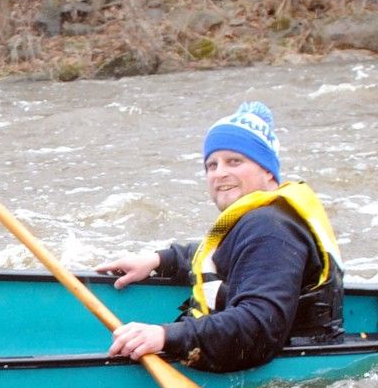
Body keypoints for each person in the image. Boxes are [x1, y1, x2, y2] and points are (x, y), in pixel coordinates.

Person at [95, 101, 343, 373]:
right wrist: (158, 260)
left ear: (268, 170)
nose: (219, 173)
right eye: (211, 165)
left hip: (291, 367)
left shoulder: (271, 230)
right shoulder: (260, 219)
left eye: (234, 161)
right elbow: (218, 256)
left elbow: (257, 330)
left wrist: (166, 336)